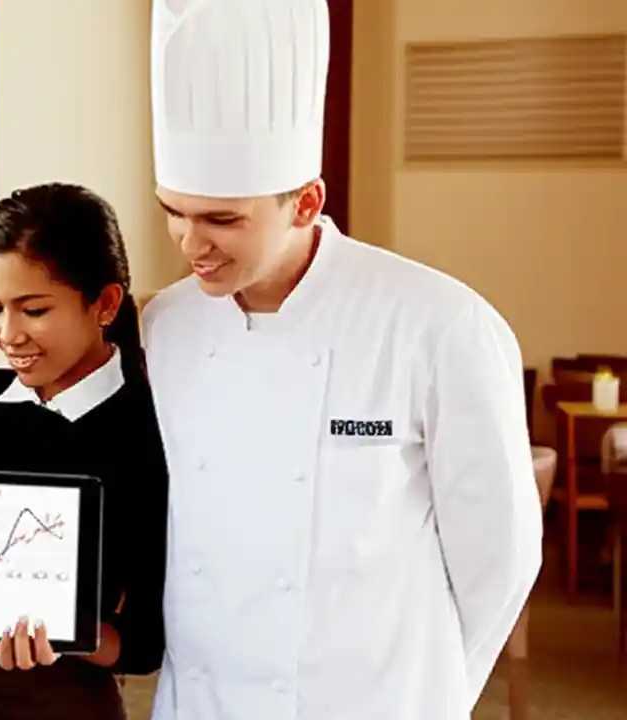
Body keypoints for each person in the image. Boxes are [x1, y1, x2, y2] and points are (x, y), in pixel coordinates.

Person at [142, 1, 543, 718]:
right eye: (174, 211)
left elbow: (500, 559)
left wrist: (427, 695)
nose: (190, 242)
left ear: (305, 202)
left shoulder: (440, 326)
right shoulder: (165, 328)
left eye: (222, 219)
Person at [0, 183, 168, 720]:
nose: (7, 334)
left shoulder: (148, 428)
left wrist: (65, 629)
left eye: (35, 310)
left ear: (105, 303)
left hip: (56, 701)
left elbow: (145, 641)